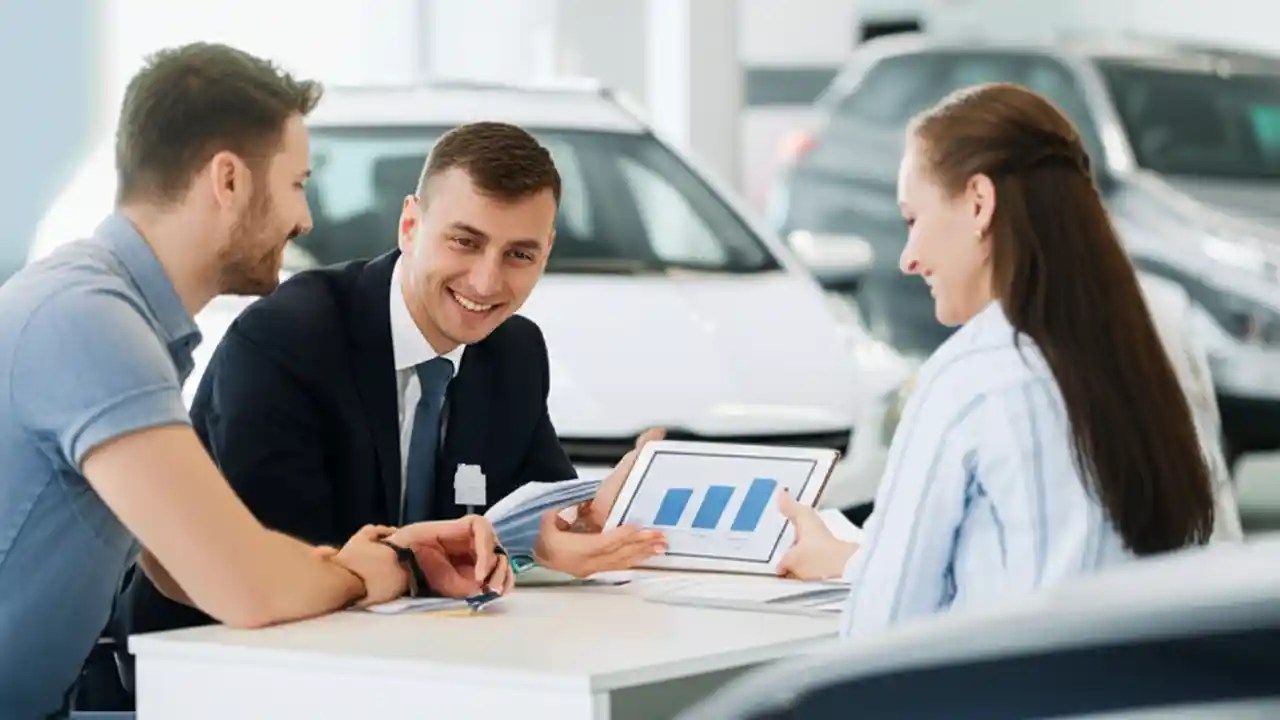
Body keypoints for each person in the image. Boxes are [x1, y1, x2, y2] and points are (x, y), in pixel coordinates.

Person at [0, 43, 509, 718]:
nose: (306, 219)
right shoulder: (89, 323)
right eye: (297, 184)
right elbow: (242, 588)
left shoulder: (108, 309)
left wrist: (368, 559)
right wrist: (365, 575)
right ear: (229, 180)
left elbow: (179, 562)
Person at [119, 120, 669, 638]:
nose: (486, 280)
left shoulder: (514, 352)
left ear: (545, 252)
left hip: (410, 656)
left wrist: (582, 523)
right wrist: (462, 558)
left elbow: (526, 515)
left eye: (519, 254)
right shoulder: (287, 340)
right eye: (465, 241)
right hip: (213, 660)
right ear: (410, 225)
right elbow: (290, 564)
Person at [776, 82, 1216, 639]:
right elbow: (1040, 564)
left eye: (913, 219)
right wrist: (854, 560)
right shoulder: (1137, 360)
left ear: (980, 203)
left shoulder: (970, 381)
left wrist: (875, 576)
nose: (909, 259)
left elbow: (881, 633)